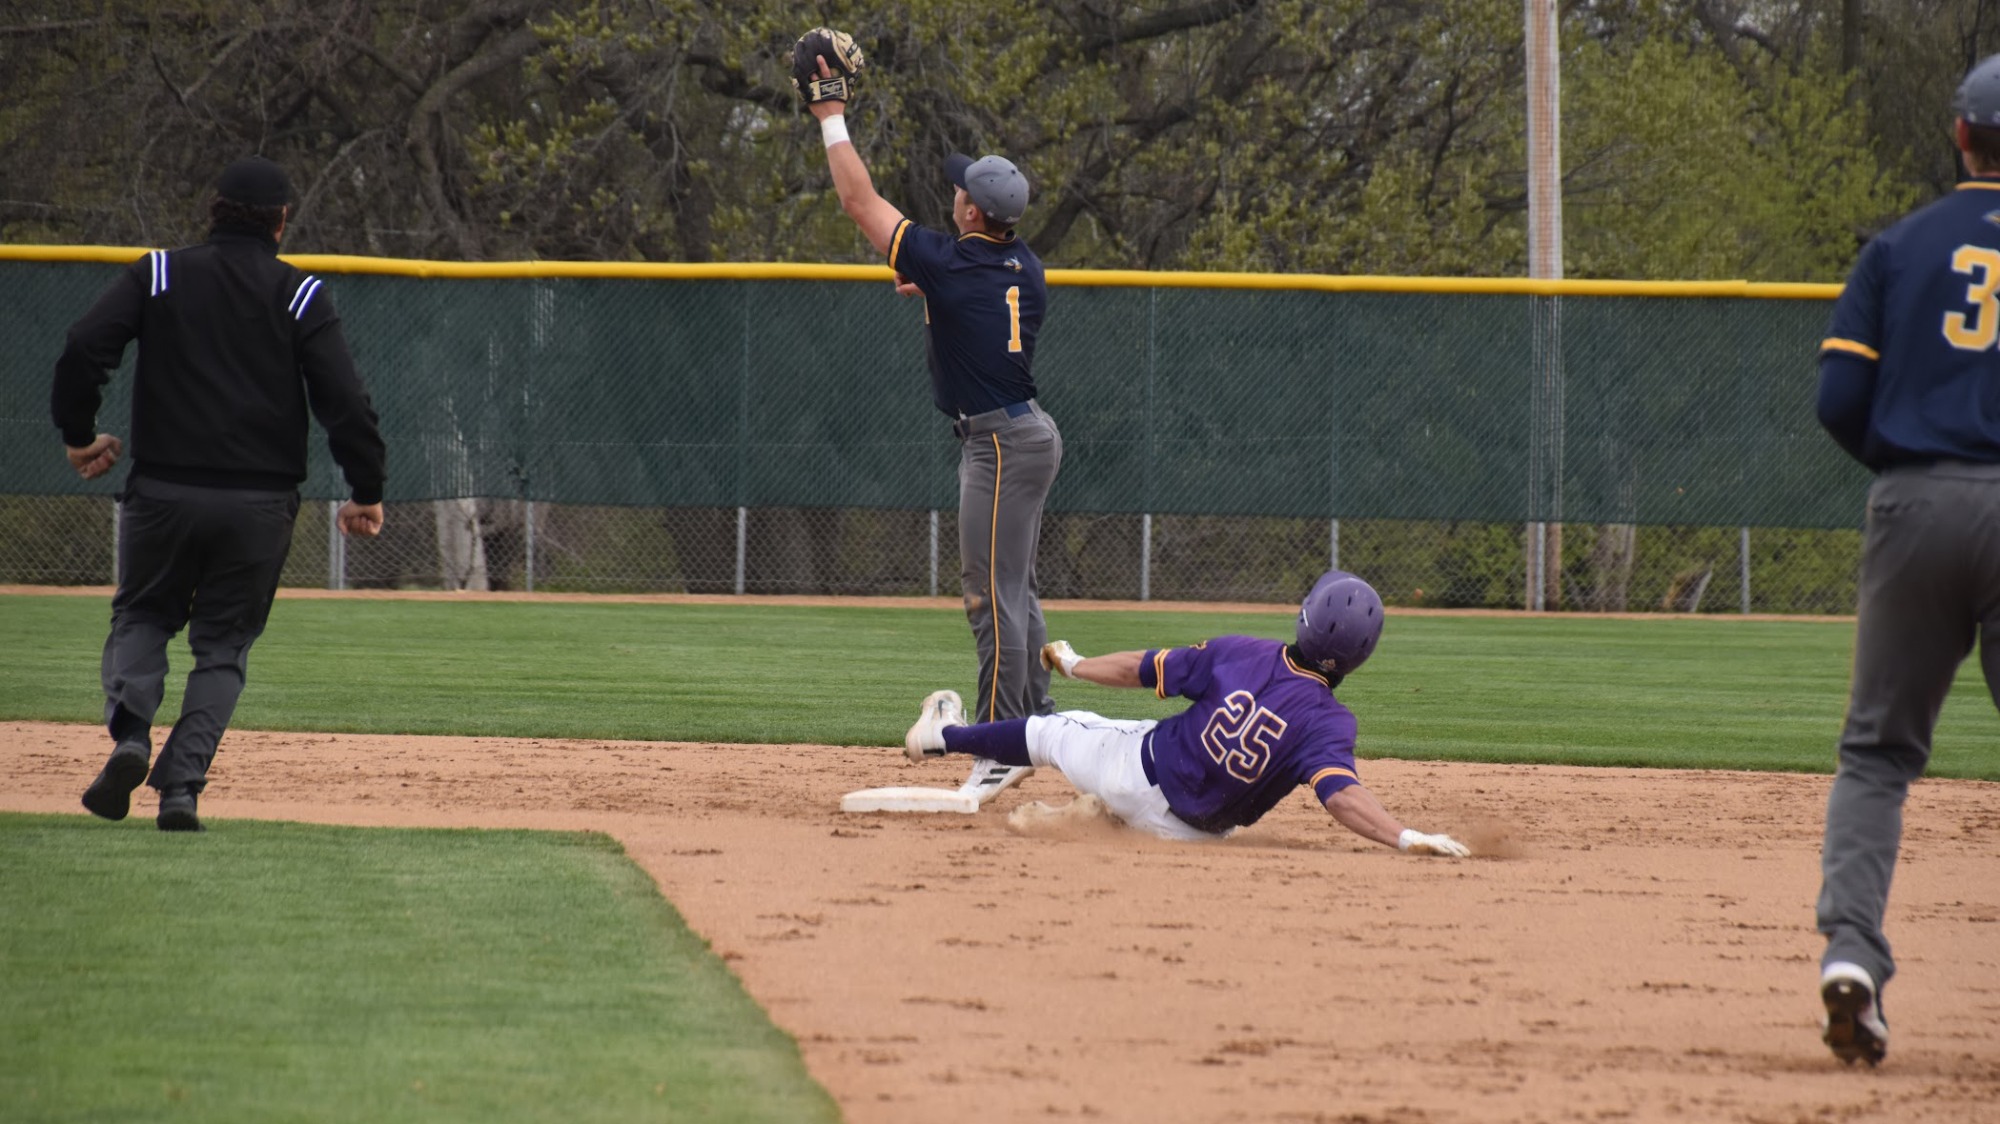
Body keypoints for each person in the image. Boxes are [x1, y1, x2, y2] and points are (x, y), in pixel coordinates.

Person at [52, 155, 387, 833]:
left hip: (164, 493)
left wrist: (80, 431)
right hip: (258, 505)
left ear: (213, 208)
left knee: (143, 618)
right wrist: (366, 488)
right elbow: (345, 401)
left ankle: (131, 738)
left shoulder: (162, 273)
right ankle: (180, 790)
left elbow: (85, 344)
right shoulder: (298, 294)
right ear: (281, 223)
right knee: (223, 646)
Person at [794, 29, 1063, 801]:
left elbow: (857, 200)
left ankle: (1001, 741)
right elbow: (981, 298)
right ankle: (1037, 719)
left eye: (959, 191)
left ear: (972, 212)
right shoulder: (1025, 267)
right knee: (1017, 589)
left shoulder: (950, 262)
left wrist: (830, 113)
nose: (951, 193)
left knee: (991, 597)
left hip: (1002, 445)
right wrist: (936, 297)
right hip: (1025, 433)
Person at [1813, 54, 2000, 1066]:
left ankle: (1849, 953)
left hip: (1914, 498)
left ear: (1960, 135)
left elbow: (1838, 400)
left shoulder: (1898, 246)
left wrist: (1901, 475)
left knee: (1878, 751)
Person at [900, 569, 1471, 855]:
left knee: (1053, 731)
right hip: (1188, 838)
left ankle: (942, 736)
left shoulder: (1240, 652)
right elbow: (1342, 796)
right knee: (1116, 781)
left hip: (1135, 771)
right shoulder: (1331, 724)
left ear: (1304, 617)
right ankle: (1094, 819)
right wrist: (1405, 836)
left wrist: (1074, 665)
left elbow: (1137, 670)